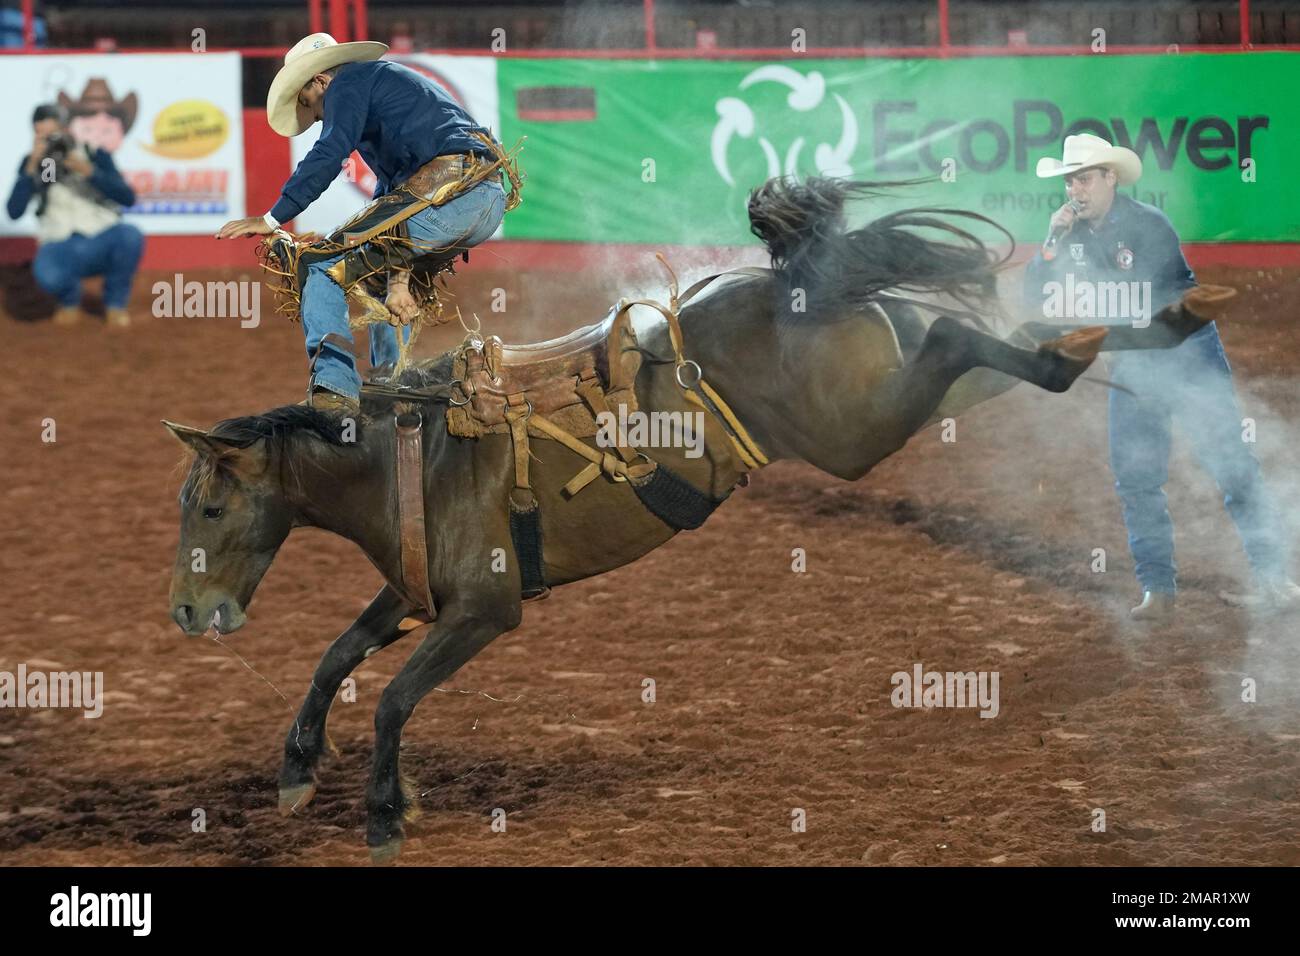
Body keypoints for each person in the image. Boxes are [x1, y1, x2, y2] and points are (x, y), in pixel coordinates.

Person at [1023, 134, 1299, 619]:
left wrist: (1101, 329)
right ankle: (1158, 590)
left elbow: (1146, 305)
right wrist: (1050, 244)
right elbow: (1038, 293)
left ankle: (1274, 580)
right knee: (1136, 478)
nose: (1075, 190)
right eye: (1070, 181)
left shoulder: (1149, 225)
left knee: (1231, 465)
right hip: (1134, 362)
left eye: (1083, 178)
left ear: (1110, 177)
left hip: (1186, 354)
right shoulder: (1069, 234)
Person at [216, 32, 516, 413]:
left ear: (320, 79)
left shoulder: (348, 83)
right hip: (480, 199)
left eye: (312, 103)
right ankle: (395, 386)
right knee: (374, 273)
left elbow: (330, 151)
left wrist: (274, 217)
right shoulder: (388, 91)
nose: (320, 115)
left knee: (319, 266)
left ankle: (335, 389)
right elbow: (392, 206)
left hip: (454, 196)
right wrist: (398, 283)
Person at [6, 103, 142, 326]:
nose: (51, 139)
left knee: (130, 236)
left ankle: (115, 305)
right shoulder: (44, 165)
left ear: (67, 129)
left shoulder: (91, 153)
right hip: (61, 242)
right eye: (42, 134)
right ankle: (69, 302)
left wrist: (88, 171)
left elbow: (127, 198)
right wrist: (33, 165)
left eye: (54, 133)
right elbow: (15, 211)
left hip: (100, 235)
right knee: (46, 272)